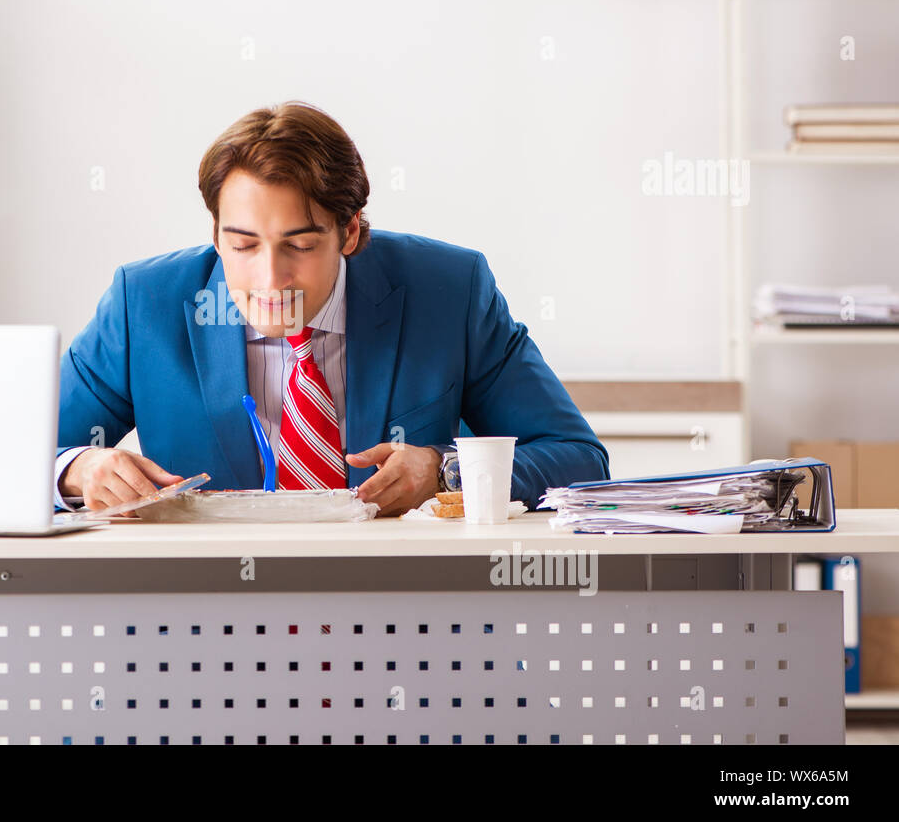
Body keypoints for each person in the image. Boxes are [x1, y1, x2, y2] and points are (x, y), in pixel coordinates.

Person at [55, 101, 608, 514]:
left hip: (404, 621)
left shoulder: (449, 291)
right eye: (243, 245)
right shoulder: (144, 305)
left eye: (299, 245)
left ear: (348, 231)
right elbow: (6, 456)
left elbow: (578, 458)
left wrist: (447, 472)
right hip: (204, 623)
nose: (269, 277)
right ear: (216, 234)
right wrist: (78, 470)